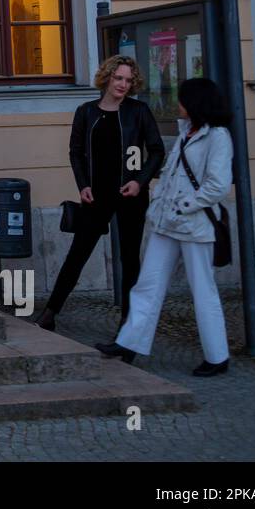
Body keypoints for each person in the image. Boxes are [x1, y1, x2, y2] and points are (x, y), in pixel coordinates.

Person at [98, 78, 233, 376]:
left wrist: (184, 205)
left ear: (197, 103)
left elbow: (218, 185)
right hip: (166, 222)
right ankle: (129, 343)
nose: (178, 104)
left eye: (183, 99)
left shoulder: (218, 137)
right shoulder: (187, 131)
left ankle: (217, 356)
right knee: (147, 285)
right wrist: (160, 203)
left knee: (203, 291)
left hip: (195, 225)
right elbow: (172, 174)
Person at [35, 55, 164, 331]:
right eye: (119, 78)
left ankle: (128, 324)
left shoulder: (138, 111)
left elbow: (156, 151)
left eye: (129, 81)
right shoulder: (86, 111)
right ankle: (50, 312)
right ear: (107, 77)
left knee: (129, 259)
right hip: (97, 195)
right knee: (78, 253)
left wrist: (140, 182)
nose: (123, 85)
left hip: (131, 194)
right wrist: (82, 185)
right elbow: (76, 152)